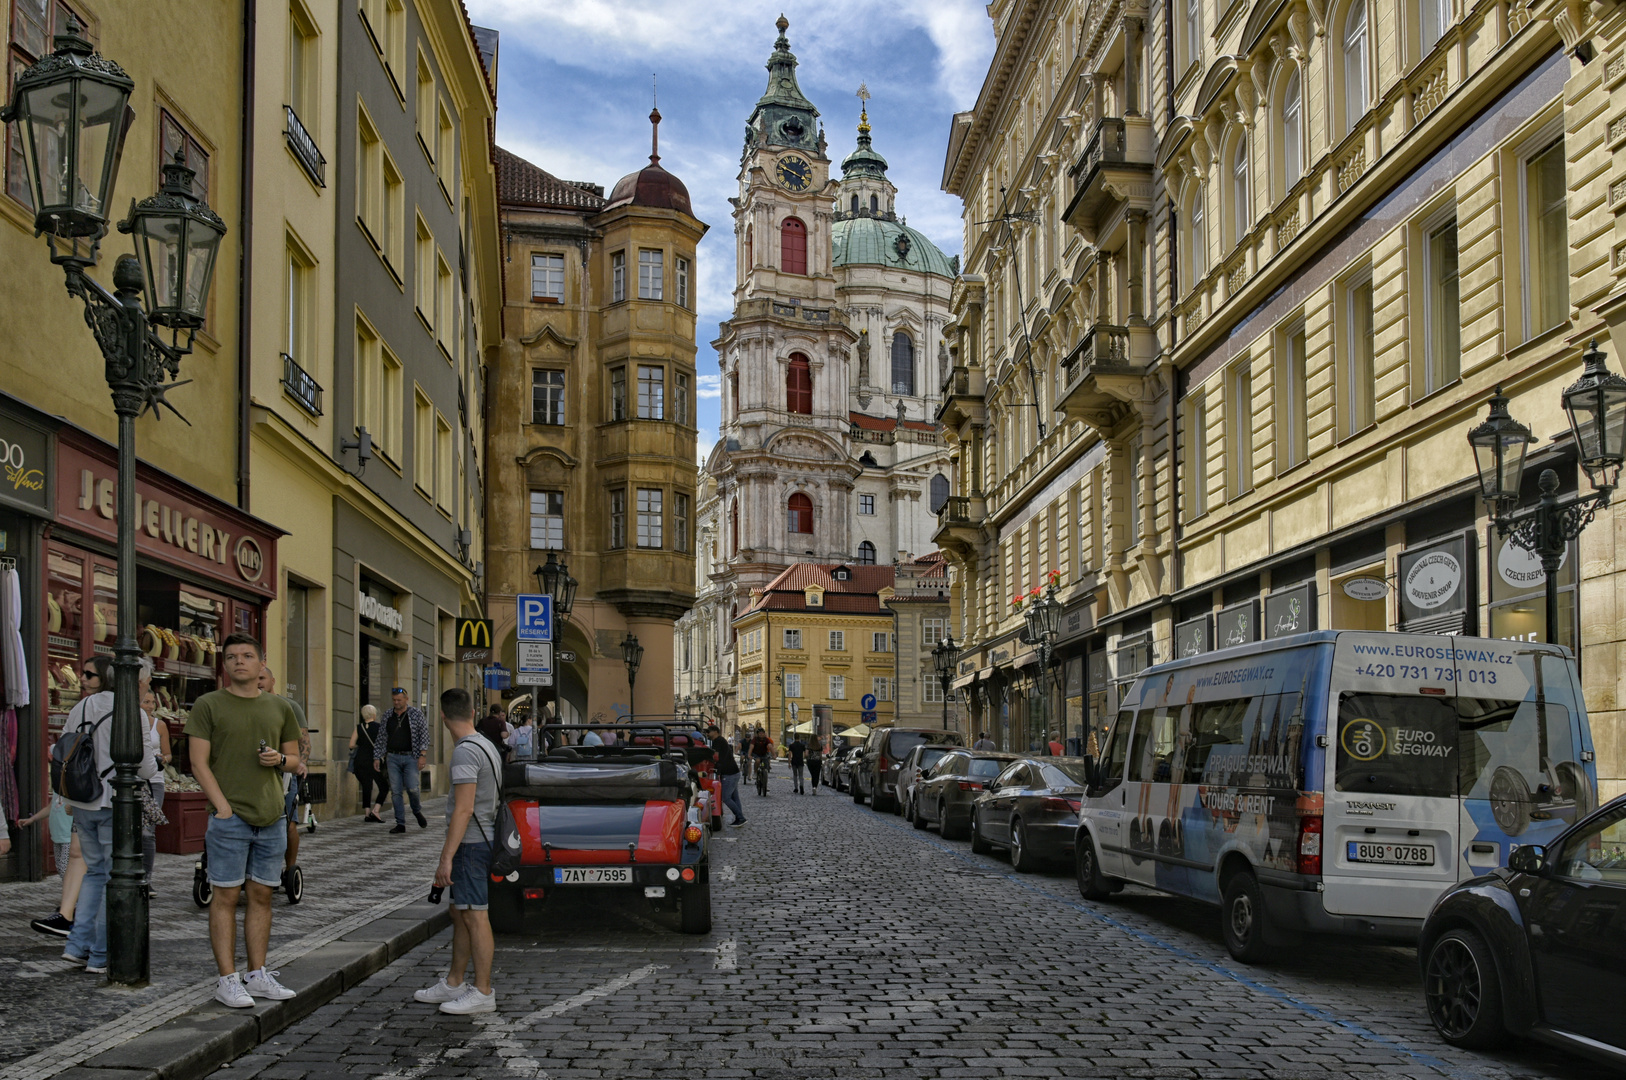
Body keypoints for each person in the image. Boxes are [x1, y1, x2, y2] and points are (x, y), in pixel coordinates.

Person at [185, 633, 303, 1008]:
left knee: (262, 895)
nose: (240, 661)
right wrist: (221, 807)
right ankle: (227, 979)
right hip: (229, 817)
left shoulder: (279, 707)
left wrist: (280, 762)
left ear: (261, 662)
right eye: (232, 656)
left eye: (247, 655)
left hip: (270, 815)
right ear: (224, 664)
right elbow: (197, 763)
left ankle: (257, 974)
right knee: (225, 896)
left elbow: (296, 759)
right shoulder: (208, 705)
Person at [61, 655, 159, 976]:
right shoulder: (134, 712)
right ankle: (100, 954)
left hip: (82, 800)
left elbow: (62, 751)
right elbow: (144, 766)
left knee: (93, 874)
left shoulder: (82, 707)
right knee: (112, 877)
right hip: (113, 801)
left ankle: (77, 947)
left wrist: (66, 797)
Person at [414, 687, 499, 1014]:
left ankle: (483, 991)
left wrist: (445, 858)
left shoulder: (465, 752)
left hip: (472, 843)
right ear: (473, 713)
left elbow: (464, 810)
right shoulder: (486, 745)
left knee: (476, 914)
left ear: (443, 717)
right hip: (481, 839)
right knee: (460, 911)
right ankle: (454, 981)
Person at [257, 667, 309, 877]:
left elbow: (304, 740)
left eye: (262, 678)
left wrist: (301, 762)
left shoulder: (289, 706)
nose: (258, 682)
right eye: (256, 678)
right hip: (256, 775)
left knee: (288, 825)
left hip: (285, 775)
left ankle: (289, 869)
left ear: (272, 680)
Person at [23, 788, 79, 936]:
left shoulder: (72, 786)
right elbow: (51, 807)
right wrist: (33, 819)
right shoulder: (57, 788)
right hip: (58, 837)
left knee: (71, 875)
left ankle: (73, 909)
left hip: (69, 837)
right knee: (64, 873)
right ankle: (69, 908)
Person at [375, 688, 429, 833]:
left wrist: (422, 755)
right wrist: (377, 756)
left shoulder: (416, 714)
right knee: (396, 791)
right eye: (394, 700)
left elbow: (424, 734)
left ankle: (416, 811)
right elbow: (381, 737)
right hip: (392, 757)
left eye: (399, 700)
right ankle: (400, 823)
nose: (396, 703)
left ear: (406, 699)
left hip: (411, 756)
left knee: (413, 788)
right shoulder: (387, 715)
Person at [140, 683, 170, 892]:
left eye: (152, 702)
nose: (150, 706)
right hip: (135, 780)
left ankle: (146, 878)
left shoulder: (159, 725)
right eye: (146, 702)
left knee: (148, 830)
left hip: (155, 781)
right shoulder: (130, 722)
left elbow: (168, 754)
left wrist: (162, 759)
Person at [349, 705, 387, 822]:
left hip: (360, 761)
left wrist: (360, 745)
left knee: (366, 785)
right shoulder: (379, 727)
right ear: (374, 715)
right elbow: (383, 744)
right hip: (374, 761)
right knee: (384, 787)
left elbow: (351, 745)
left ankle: (366, 813)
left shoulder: (359, 727)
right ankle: (376, 810)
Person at [705, 724, 746, 826]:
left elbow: (716, 756)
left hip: (729, 774)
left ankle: (740, 817)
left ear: (715, 731)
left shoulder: (718, 741)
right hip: (733, 772)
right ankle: (739, 818)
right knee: (735, 798)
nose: (707, 734)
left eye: (709, 731)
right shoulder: (720, 740)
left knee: (726, 797)